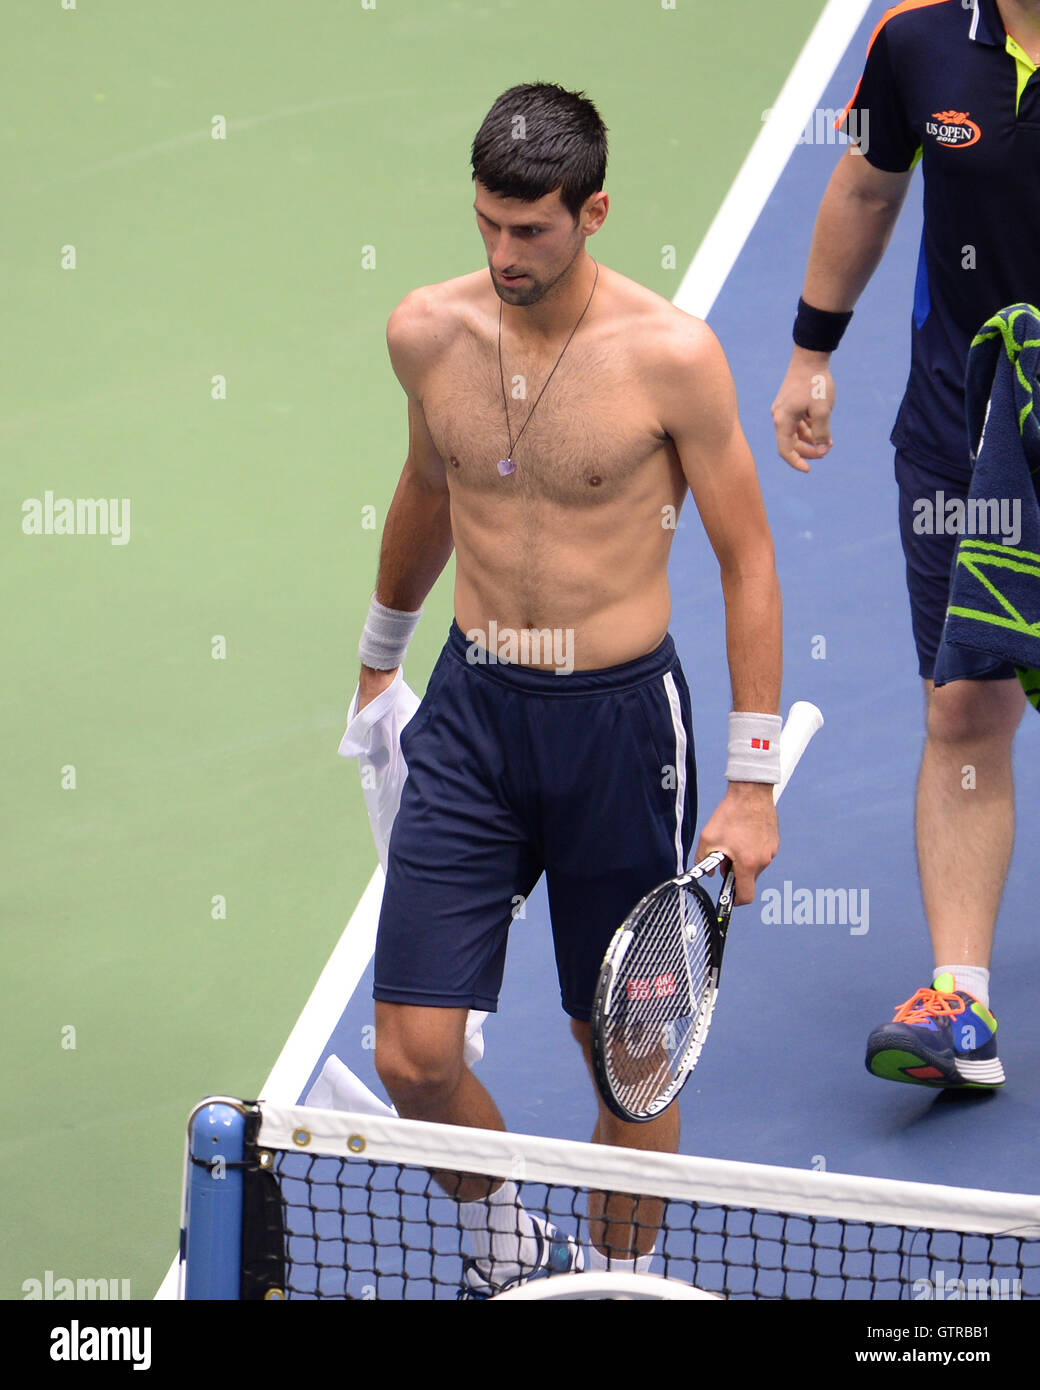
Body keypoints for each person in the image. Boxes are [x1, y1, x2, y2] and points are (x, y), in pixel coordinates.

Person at [356, 82, 782, 1294]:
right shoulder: (425, 333)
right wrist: (380, 659)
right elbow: (427, 492)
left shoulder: (668, 355)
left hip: (618, 733)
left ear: (592, 212)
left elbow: (746, 559)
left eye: (531, 230)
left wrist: (747, 784)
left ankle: (608, 1282)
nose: (502, 253)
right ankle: (510, 1249)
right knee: (413, 1055)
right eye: (487, 223)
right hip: (473, 714)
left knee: (629, 1061)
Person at [772, 0, 1040, 1090]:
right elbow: (868, 186)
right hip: (964, 434)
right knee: (960, 702)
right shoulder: (914, 41)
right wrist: (807, 353)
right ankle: (959, 1004)